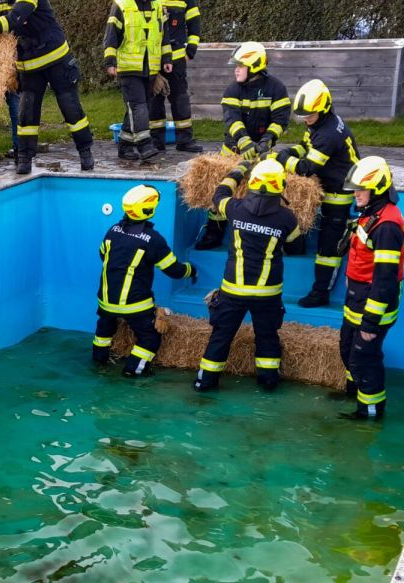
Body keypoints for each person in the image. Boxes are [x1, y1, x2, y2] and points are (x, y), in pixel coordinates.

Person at [194, 159, 301, 392]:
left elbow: (219, 194)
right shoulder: (288, 219)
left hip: (233, 289)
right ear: (280, 186)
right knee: (267, 336)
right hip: (268, 293)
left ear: (252, 183)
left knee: (221, 335)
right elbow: (296, 247)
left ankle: (205, 382)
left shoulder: (235, 208)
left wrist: (238, 170)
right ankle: (269, 382)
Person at [0, 0, 94, 174]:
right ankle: (24, 159)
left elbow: (13, 19)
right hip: (29, 64)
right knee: (27, 114)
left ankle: (85, 152)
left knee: (70, 107)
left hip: (56, 58)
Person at [92, 185, 197, 378]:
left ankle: (99, 361)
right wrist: (191, 270)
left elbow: (102, 255)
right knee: (149, 338)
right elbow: (174, 270)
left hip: (105, 301)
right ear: (149, 210)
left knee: (104, 328)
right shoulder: (153, 239)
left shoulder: (112, 231)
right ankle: (133, 369)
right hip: (134, 306)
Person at [194, 41, 290, 250]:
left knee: (262, 195)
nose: (236, 69)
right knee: (220, 192)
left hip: (263, 154)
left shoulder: (276, 88)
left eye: (240, 65)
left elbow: (281, 120)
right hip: (232, 152)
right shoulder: (232, 89)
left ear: (254, 66)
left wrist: (266, 141)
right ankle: (213, 234)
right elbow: (232, 120)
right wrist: (245, 143)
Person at [274, 78, 360, 307]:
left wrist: (283, 159)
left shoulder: (328, 134)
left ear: (323, 110)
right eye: (302, 115)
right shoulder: (320, 123)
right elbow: (306, 146)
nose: (305, 120)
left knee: (328, 247)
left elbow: (306, 168)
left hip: (339, 193)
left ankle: (321, 292)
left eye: (308, 116)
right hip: (330, 185)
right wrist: (290, 151)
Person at [338, 156, 404, 419]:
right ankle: (355, 394)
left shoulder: (387, 225)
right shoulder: (372, 214)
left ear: (377, 188)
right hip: (357, 299)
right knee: (347, 349)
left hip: (372, 306)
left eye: (361, 189)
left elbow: (385, 279)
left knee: (365, 360)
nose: (355, 193)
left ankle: (370, 413)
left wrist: (370, 323)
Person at [102, 0, 166, 163]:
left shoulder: (157, 5)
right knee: (138, 106)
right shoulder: (121, 5)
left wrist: (167, 59)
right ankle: (144, 145)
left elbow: (162, 36)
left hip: (150, 68)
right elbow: (111, 36)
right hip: (129, 68)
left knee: (137, 107)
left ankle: (125, 146)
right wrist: (110, 61)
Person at [149, 0, 203, 154]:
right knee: (154, 99)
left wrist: (191, 49)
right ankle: (156, 141)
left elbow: (194, 22)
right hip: (154, 58)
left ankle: (185, 140)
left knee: (180, 99)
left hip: (177, 58)